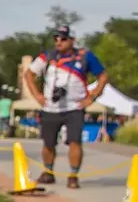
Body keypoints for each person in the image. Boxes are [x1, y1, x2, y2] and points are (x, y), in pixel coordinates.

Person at [23, 25, 107, 189]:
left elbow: (103, 76)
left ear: (72, 40)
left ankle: (73, 175)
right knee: (48, 143)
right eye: (56, 39)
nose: (59, 42)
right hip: (51, 107)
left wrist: (92, 96)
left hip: (74, 107)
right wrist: (37, 95)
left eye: (63, 39)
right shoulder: (47, 57)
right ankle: (48, 172)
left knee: (75, 141)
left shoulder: (84, 56)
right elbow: (29, 74)